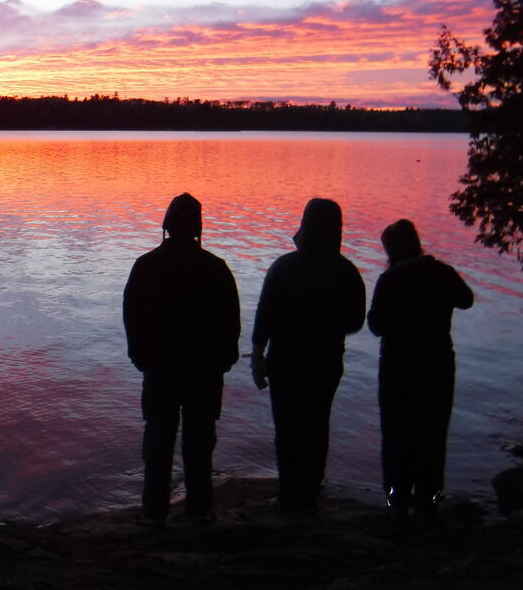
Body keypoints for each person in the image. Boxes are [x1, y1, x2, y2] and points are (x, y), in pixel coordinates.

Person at [123, 193, 241, 526]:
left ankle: (154, 512)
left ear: (166, 225)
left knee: (158, 441)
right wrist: (223, 361)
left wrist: (141, 358)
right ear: (198, 228)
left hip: (161, 371)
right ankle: (198, 511)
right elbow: (231, 324)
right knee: (199, 444)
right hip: (203, 373)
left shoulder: (146, 265)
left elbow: (132, 318)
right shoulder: (215, 268)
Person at [250, 198, 365, 513]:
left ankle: (289, 494)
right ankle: (310, 492)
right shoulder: (347, 271)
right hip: (326, 363)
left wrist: (257, 354)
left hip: (285, 362)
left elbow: (266, 314)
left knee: (287, 428)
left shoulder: (284, 267)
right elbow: (356, 321)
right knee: (317, 426)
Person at [367, 219, 473, 516]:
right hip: (437, 363)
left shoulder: (389, 280)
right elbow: (466, 301)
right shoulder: (442, 272)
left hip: (397, 366)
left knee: (396, 433)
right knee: (433, 431)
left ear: (390, 250)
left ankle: (396, 499)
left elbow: (376, 326)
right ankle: (429, 500)